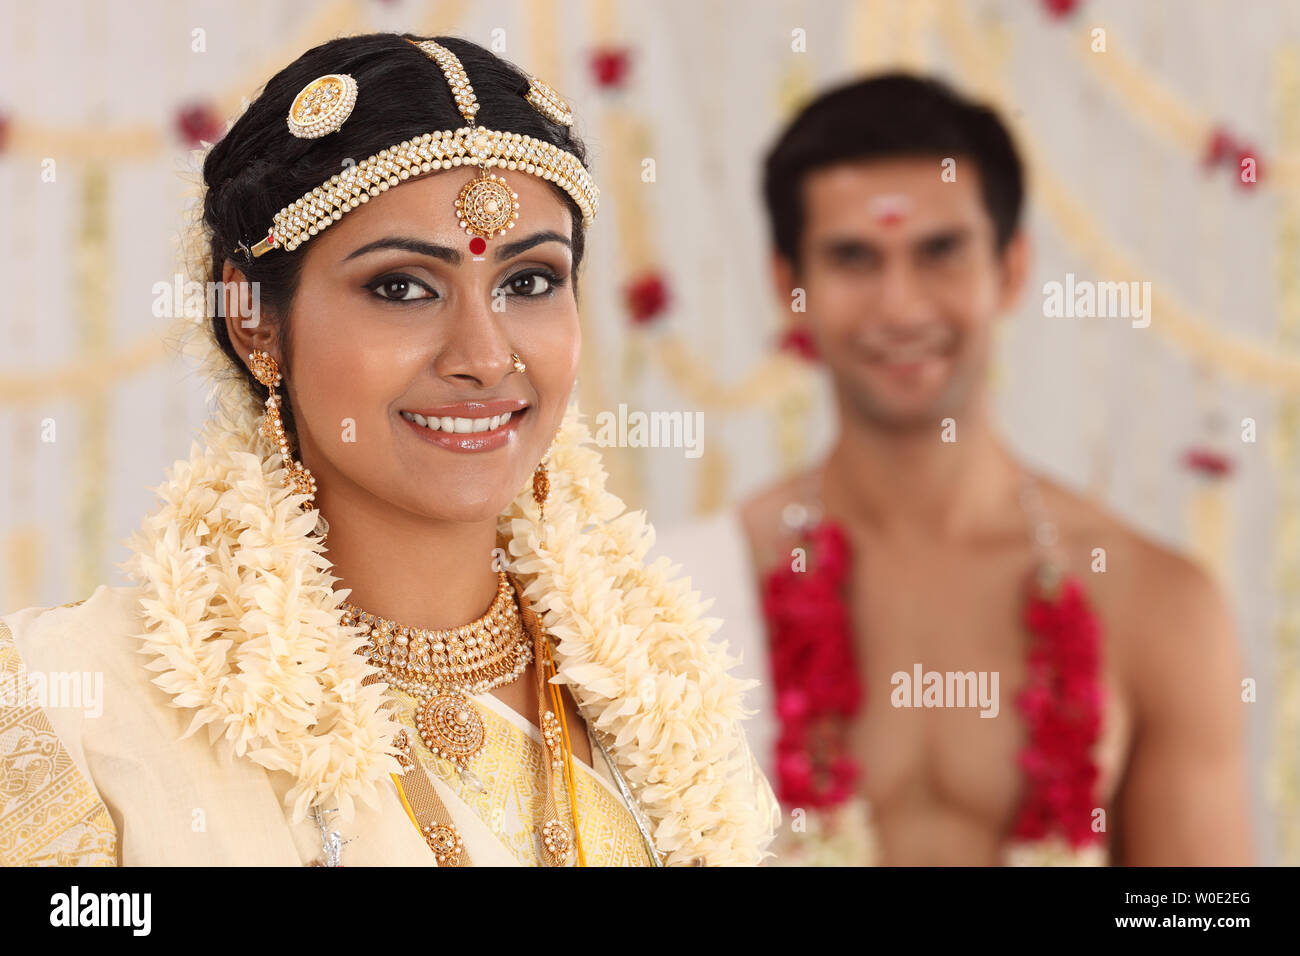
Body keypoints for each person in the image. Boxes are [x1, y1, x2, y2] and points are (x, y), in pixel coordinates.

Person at [0, 32, 777, 867]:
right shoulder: (72, 702)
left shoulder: (667, 702)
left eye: (529, 283)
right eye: (402, 287)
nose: (483, 355)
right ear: (253, 317)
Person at [651, 73, 1252, 865]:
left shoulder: (1155, 603)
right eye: (855, 258)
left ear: (1010, 267)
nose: (900, 307)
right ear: (789, 287)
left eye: (939, 252)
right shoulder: (678, 597)